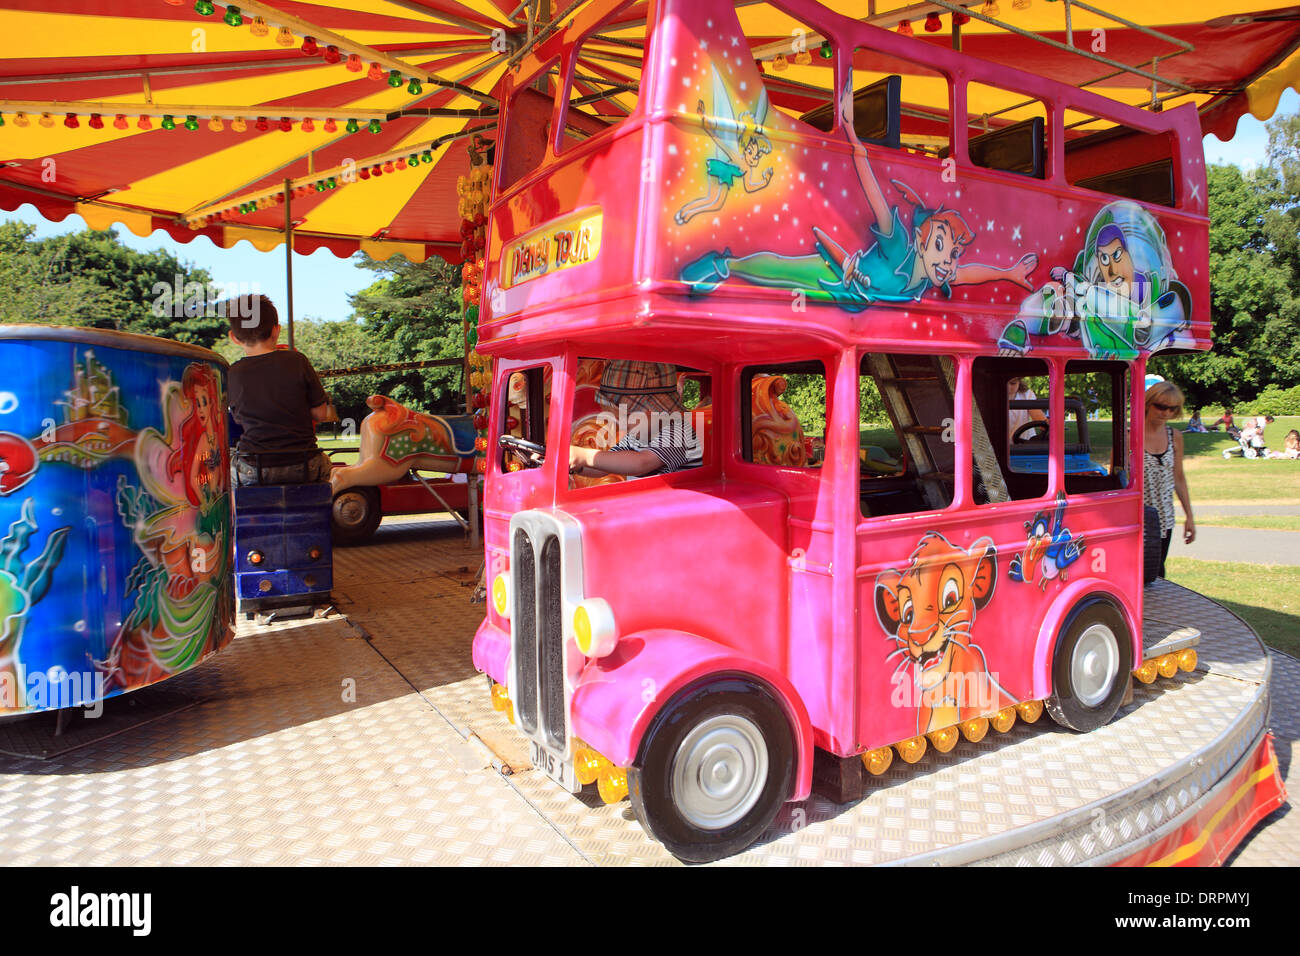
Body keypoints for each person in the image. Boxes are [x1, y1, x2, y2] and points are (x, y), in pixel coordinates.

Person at [225, 294, 336, 485]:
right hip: (304, 464)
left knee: (227, 473)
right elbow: (320, 413)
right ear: (276, 330)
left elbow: (237, 419)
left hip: (255, 469)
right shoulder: (297, 361)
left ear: (234, 337)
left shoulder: (232, 373)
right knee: (326, 465)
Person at [568, 361, 698, 478]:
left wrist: (582, 456)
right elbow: (602, 469)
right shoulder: (636, 436)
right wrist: (576, 465)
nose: (621, 423)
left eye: (626, 416)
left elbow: (641, 463)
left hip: (677, 502)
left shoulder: (680, 431)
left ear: (653, 411)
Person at [1144, 381, 1194, 578]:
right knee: (1140, 570)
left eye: (1172, 409)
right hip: (1138, 514)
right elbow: (1118, 475)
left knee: (1158, 571)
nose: (1165, 413)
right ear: (1148, 403)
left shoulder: (1175, 437)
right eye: (1161, 406)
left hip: (1164, 516)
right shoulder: (1130, 435)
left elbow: (1179, 478)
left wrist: (1189, 516)